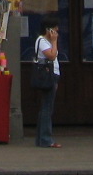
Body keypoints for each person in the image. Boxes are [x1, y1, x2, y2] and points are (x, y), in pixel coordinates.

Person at [34, 17, 61, 148]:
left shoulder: (46, 41)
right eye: (55, 30)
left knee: (46, 107)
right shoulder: (42, 41)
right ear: (48, 30)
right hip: (48, 76)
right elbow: (52, 55)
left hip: (53, 75)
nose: (57, 32)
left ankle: (42, 138)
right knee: (47, 108)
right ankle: (46, 139)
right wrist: (54, 41)